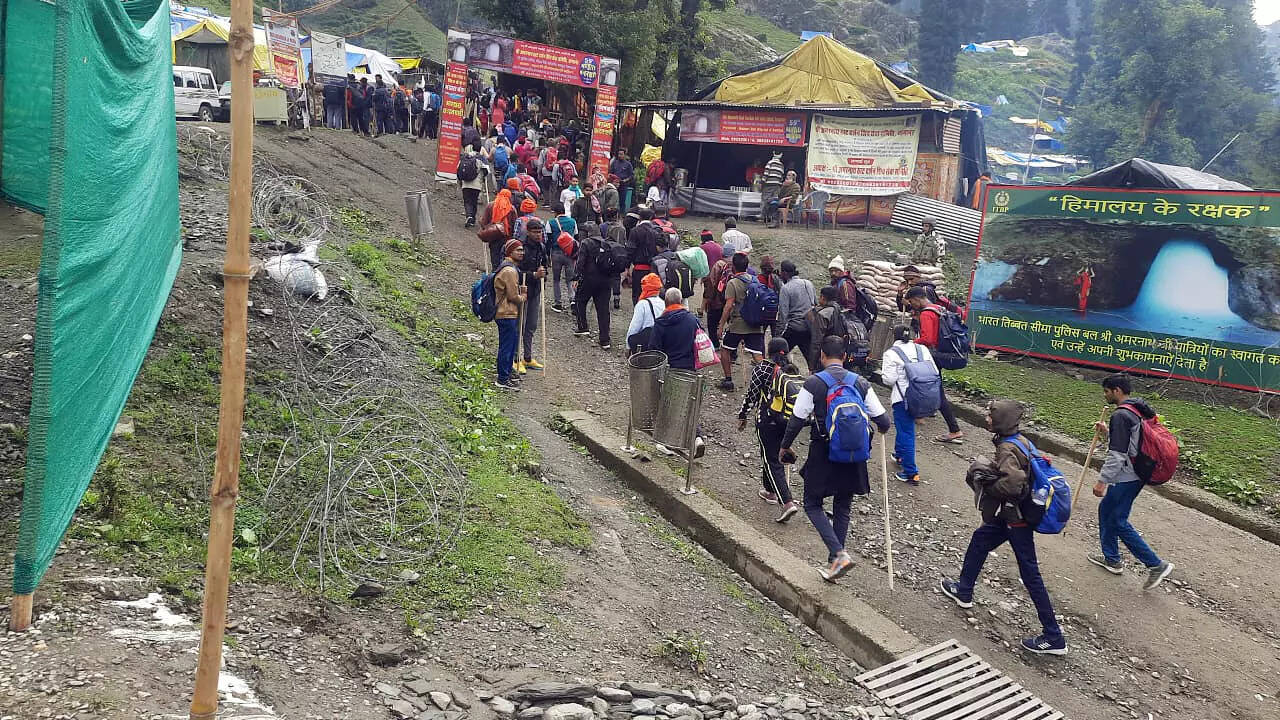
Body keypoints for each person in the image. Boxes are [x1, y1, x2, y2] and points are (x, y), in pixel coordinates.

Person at [940, 400, 1068, 656]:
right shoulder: (1020, 440)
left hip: (1016, 519)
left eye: (991, 415)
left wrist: (986, 483)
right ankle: (963, 590)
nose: (987, 418)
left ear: (1002, 420)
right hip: (1013, 515)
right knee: (980, 540)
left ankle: (1054, 637)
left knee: (1030, 574)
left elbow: (1012, 486)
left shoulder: (1007, 447)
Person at [780, 336, 891, 580]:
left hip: (824, 452)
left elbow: (797, 420)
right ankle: (835, 562)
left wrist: (784, 447)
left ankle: (838, 554)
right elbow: (884, 421)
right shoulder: (860, 383)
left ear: (822, 355)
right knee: (843, 507)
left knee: (811, 503)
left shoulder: (814, 383)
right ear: (844, 357)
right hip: (854, 454)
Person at [1088, 374, 1175, 589]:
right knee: (1106, 511)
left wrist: (1102, 481)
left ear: (1117, 390)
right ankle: (1112, 559)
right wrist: (1108, 432)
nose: (1105, 395)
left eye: (1107, 391)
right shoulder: (1136, 410)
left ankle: (1155, 564)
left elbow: (1118, 454)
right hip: (1138, 472)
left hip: (1127, 476)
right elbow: (1132, 443)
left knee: (1117, 520)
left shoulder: (1120, 415)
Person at [739, 338, 802, 522]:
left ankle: (787, 502)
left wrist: (743, 415)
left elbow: (752, 395)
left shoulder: (762, 368)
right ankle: (769, 491)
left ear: (768, 351)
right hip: (787, 422)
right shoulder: (792, 370)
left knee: (772, 461)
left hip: (767, 421)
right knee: (769, 454)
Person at [903, 286, 964, 444]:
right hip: (943, 353)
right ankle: (920, 415)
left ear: (917, 299)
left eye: (912, 302)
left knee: (934, 389)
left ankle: (954, 429)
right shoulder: (939, 308)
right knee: (932, 386)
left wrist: (911, 342)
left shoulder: (927, 314)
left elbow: (928, 339)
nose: (912, 306)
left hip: (933, 356)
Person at [880, 325, 938, 486]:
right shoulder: (922, 349)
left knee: (906, 432)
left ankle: (911, 473)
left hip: (903, 399)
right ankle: (900, 455)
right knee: (905, 429)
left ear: (894, 337)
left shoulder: (891, 354)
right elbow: (934, 370)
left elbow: (889, 379)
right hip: (924, 396)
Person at [717, 253, 766, 391]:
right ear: (747, 265)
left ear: (733, 266)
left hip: (738, 324)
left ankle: (728, 381)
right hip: (755, 324)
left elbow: (728, 306)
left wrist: (721, 325)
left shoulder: (733, 283)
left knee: (725, 349)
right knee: (757, 354)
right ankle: (767, 382)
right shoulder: (755, 280)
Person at [573, 222, 615, 350]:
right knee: (603, 310)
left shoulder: (586, 243)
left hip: (589, 279)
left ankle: (583, 327)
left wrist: (576, 277)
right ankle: (605, 340)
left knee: (580, 301)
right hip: (606, 280)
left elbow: (581, 261)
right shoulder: (607, 243)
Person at [493, 240, 528, 390]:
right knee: (507, 346)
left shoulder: (507, 268)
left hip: (505, 313)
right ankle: (502, 378)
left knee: (508, 344)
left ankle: (506, 374)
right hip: (506, 313)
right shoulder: (510, 271)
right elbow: (513, 296)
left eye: (522, 250)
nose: (522, 253)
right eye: (518, 250)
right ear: (509, 252)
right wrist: (523, 296)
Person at [516, 219, 549, 374]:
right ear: (528, 231)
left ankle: (527, 358)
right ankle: (515, 358)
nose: (538, 235)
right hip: (521, 290)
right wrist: (534, 275)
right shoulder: (520, 247)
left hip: (536, 290)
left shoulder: (542, 247)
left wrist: (543, 274)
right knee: (519, 325)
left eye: (540, 231)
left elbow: (545, 266)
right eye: (535, 232)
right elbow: (514, 272)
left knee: (531, 325)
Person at [775, 260, 816, 372]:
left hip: (794, 328)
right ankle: (815, 379)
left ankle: (782, 376)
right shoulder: (809, 283)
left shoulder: (786, 288)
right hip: (808, 327)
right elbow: (815, 304)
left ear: (784, 273)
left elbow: (783, 314)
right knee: (811, 359)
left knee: (779, 354)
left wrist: (778, 334)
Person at [627, 207, 662, 305]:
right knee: (652, 294)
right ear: (651, 217)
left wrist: (627, 267)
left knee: (637, 294)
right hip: (653, 269)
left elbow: (630, 250)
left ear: (639, 217)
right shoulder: (657, 232)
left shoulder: (635, 231)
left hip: (638, 269)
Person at [547, 211, 578, 313]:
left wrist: (547, 255)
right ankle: (573, 300)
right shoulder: (573, 221)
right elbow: (576, 236)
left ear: (555, 212)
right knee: (570, 279)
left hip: (556, 253)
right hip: (569, 253)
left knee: (556, 279)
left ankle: (558, 303)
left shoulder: (551, 222)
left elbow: (548, 239)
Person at [479, 183, 517, 270]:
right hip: (507, 238)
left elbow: (484, 221)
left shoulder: (491, 205)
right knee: (505, 260)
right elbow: (514, 224)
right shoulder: (511, 208)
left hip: (494, 236)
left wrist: (486, 229)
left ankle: (495, 277)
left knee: (495, 259)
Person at [804, 286, 841, 373]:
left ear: (822, 297)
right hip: (838, 351)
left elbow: (816, 341)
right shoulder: (839, 309)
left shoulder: (823, 314)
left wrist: (812, 366)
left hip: (826, 354)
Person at [626, 273, 666, 353]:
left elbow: (634, 327)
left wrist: (628, 346)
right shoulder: (663, 303)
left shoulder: (642, 304)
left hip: (646, 343)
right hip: (661, 341)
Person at [703, 249, 732, 349]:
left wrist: (708, 299)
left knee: (712, 324)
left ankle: (715, 345)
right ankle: (731, 349)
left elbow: (711, 283)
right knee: (731, 325)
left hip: (716, 301)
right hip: (729, 301)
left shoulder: (718, 265)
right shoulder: (734, 266)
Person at [458, 140, 485, 228]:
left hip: (466, 183)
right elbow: (487, 170)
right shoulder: (481, 158)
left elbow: (458, 168)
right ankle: (472, 219)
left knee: (467, 201)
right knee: (474, 201)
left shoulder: (466, 157)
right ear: (480, 148)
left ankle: (469, 216)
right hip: (477, 185)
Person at [761, 152, 785, 226]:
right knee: (774, 201)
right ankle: (773, 219)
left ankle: (765, 217)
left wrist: (762, 182)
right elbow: (781, 177)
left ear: (773, 154)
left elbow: (766, 174)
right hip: (777, 186)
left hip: (768, 185)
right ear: (781, 155)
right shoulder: (781, 165)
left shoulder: (770, 163)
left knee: (765, 200)